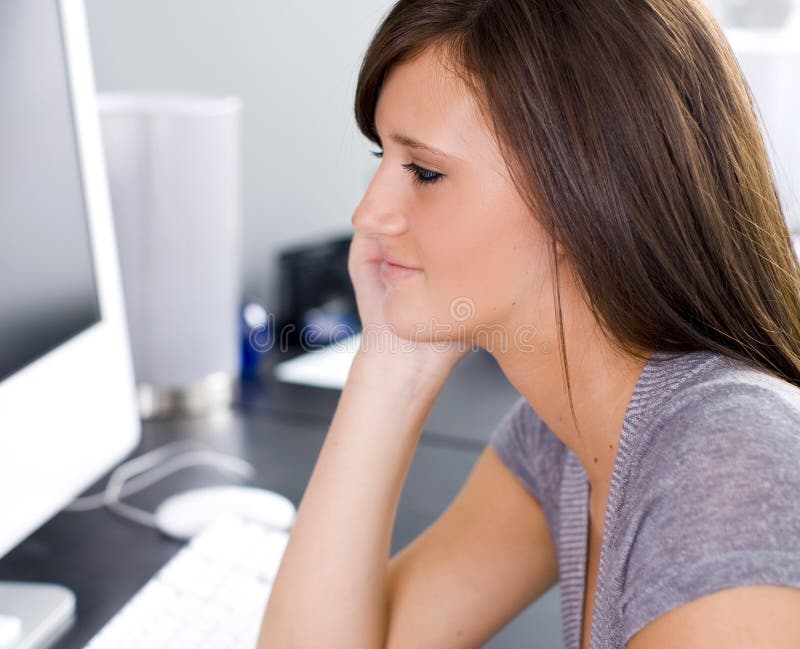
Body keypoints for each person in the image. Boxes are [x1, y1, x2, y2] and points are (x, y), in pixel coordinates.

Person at [258, 1, 800, 647]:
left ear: (585, 194)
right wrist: (390, 365)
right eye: (383, 157)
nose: (369, 214)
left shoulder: (731, 474)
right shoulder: (569, 432)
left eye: (424, 171)